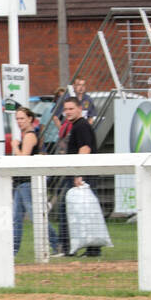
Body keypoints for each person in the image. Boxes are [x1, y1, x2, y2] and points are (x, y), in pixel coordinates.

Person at [53, 96, 100, 256]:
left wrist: (79, 174)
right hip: (78, 174)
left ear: (80, 109)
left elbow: (85, 148)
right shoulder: (76, 125)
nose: (67, 112)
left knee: (75, 211)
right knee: (77, 212)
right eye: (65, 109)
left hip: (81, 176)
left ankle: (73, 249)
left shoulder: (81, 126)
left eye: (71, 108)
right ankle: (80, 249)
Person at [10, 107, 58, 255]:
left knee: (35, 215)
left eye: (22, 118)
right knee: (17, 217)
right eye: (17, 118)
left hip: (28, 182)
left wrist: (14, 146)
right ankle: (13, 250)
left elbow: (23, 158)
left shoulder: (30, 135)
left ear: (30, 119)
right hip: (21, 182)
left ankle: (57, 244)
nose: (19, 121)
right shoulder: (26, 135)